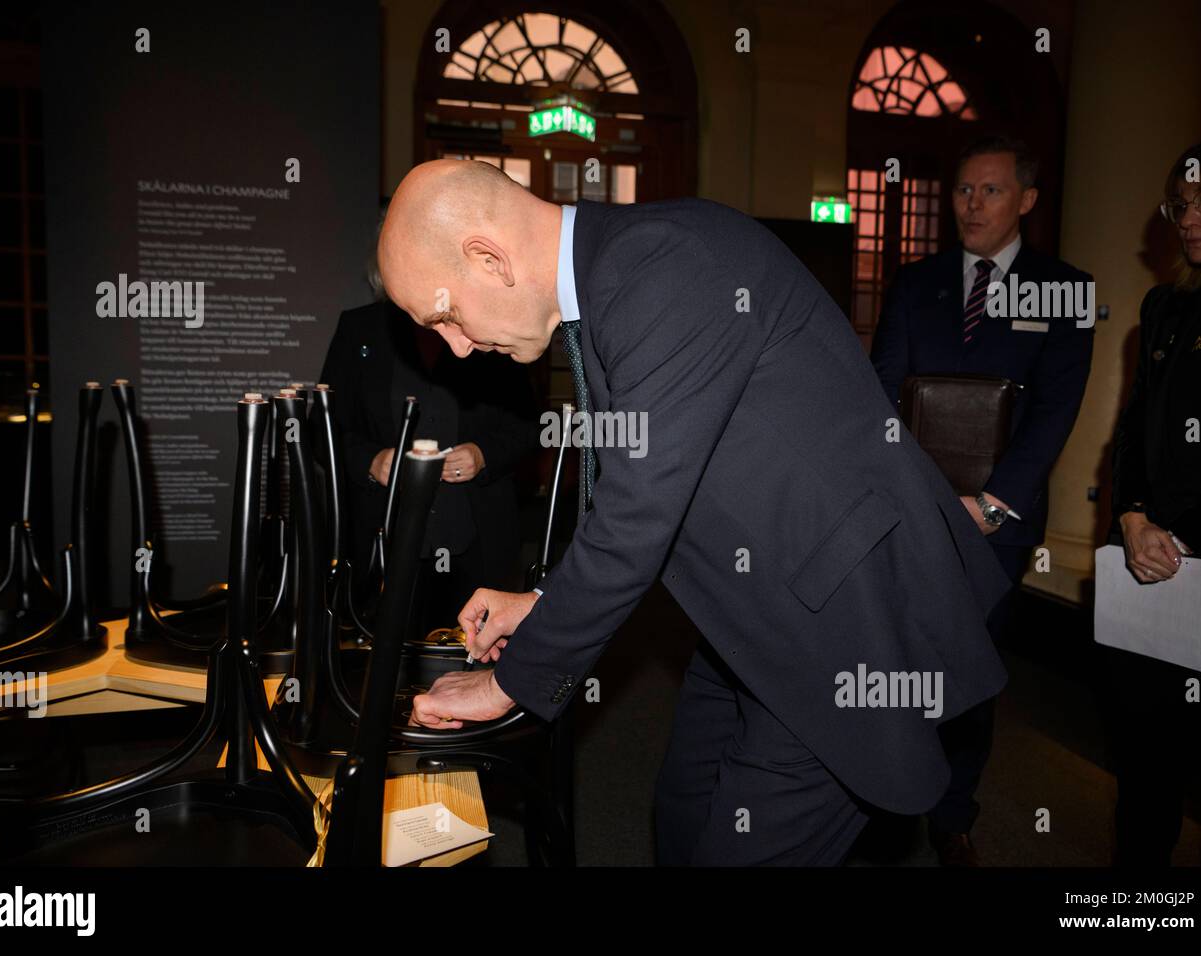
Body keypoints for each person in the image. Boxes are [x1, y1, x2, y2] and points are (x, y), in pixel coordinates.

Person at [378, 159, 1010, 866]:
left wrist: (508, 682)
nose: (459, 346)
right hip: (754, 605)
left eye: (445, 316)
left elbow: (637, 515)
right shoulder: (616, 274)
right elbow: (652, 491)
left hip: (841, 623)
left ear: (488, 258)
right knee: (686, 811)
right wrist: (545, 601)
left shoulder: (662, 265)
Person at [871, 135, 1095, 865]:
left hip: (998, 522)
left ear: (1026, 199)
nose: (971, 204)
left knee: (965, 666)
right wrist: (907, 496)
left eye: (991, 191)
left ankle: (952, 810)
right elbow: (881, 397)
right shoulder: (915, 282)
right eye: (964, 190)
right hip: (911, 510)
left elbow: (1056, 413)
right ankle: (891, 798)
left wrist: (994, 503)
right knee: (898, 659)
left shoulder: (1066, 290)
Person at [1107, 129, 1201, 866]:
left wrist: (1186, 543)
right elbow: (1130, 433)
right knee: (1145, 777)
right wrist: (1131, 518)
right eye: (1179, 203)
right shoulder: (1166, 311)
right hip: (1151, 573)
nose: (1188, 218)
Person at [315, 272, 538, 635]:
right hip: (384, 545)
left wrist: (484, 455)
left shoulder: (490, 324)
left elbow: (528, 425)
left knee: (476, 662)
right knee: (382, 667)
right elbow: (321, 430)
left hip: (477, 545)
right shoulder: (359, 328)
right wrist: (372, 461)